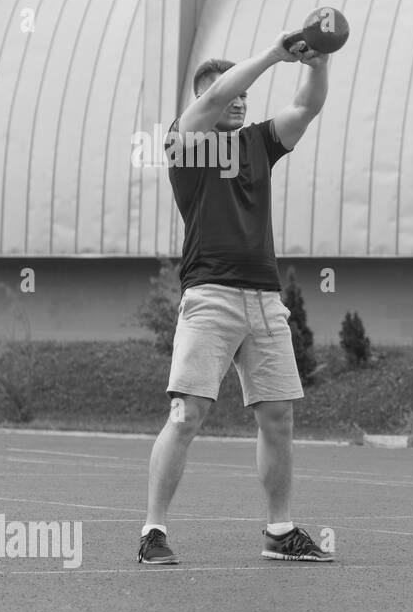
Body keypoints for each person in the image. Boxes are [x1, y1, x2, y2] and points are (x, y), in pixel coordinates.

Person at [138, 34, 332, 565]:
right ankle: (153, 531)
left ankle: (279, 530)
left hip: (265, 299)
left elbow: (307, 105)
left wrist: (318, 61)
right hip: (210, 295)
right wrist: (273, 54)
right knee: (186, 413)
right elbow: (219, 94)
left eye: (245, 96)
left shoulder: (258, 142)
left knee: (278, 416)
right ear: (204, 102)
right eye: (230, 94)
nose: (241, 100)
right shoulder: (185, 142)